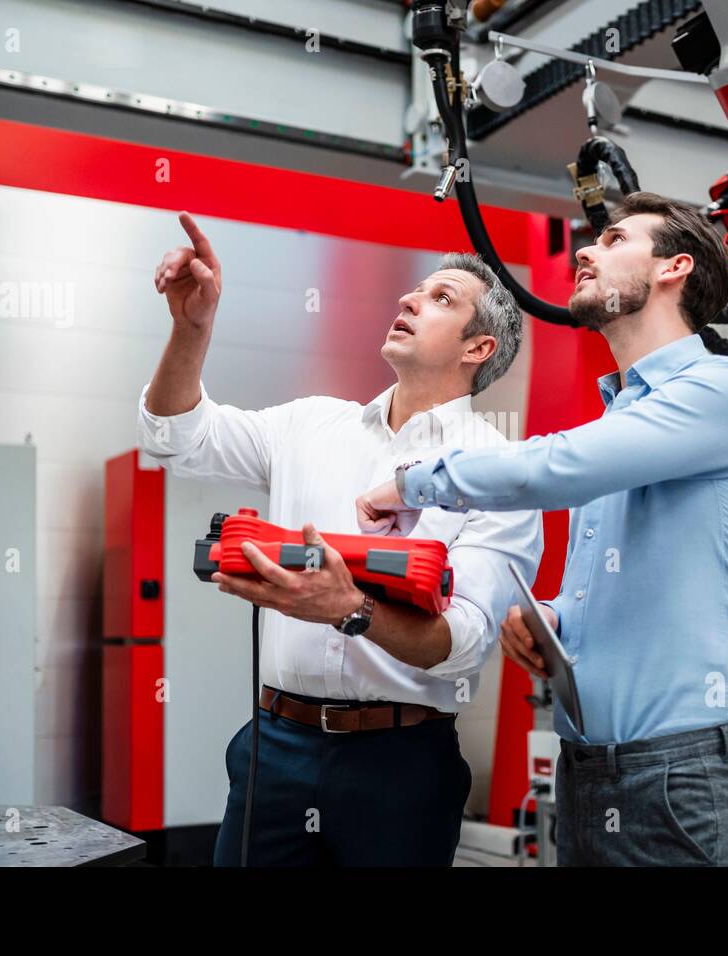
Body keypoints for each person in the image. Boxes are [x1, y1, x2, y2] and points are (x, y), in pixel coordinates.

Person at [357, 192, 728, 866]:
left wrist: (413, 480)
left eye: (614, 241)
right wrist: (552, 620)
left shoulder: (723, 388)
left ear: (674, 269)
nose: (586, 250)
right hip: (591, 772)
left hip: (682, 778)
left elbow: (552, 467)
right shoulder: (621, 417)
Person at [137, 212, 542, 866]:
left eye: (441, 298)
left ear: (479, 349)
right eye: (415, 290)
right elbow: (174, 440)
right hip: (275, 749)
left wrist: (348, 610)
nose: (410, 299)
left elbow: (461, 645)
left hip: (400, 766)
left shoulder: (498, 473)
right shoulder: (311, 426)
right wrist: (192, 328)